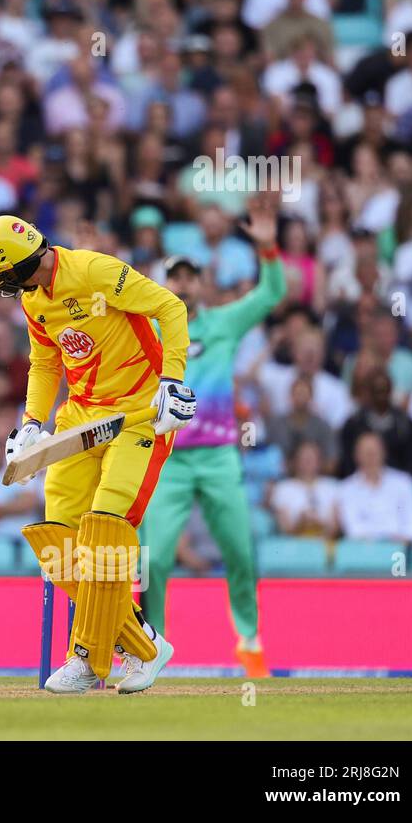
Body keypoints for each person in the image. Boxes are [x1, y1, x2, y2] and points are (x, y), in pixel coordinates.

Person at [0, 213, 194, 694]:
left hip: (139, 413)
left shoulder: (95, 271)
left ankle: (86, 658)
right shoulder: (34, 300)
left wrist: (173, 380)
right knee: (56, 541)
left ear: (15, 265)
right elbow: (45, 361)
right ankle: (145, 645)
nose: (1, 286)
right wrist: (32, 422)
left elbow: (170, 307)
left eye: (0, 276)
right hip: (80, 420)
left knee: (106, 526)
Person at [139, 192, 285, 678]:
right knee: (155, 560)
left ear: (200, 284)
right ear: (163, 285)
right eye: (173, 277)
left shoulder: (223, 321)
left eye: (188, 277)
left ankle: (250, 640)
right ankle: (150, 649)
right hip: (169, 459)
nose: (181, 284)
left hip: (220, 455)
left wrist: (267, 250)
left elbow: (270, 295)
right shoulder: (149, 333)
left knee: (240, 551)